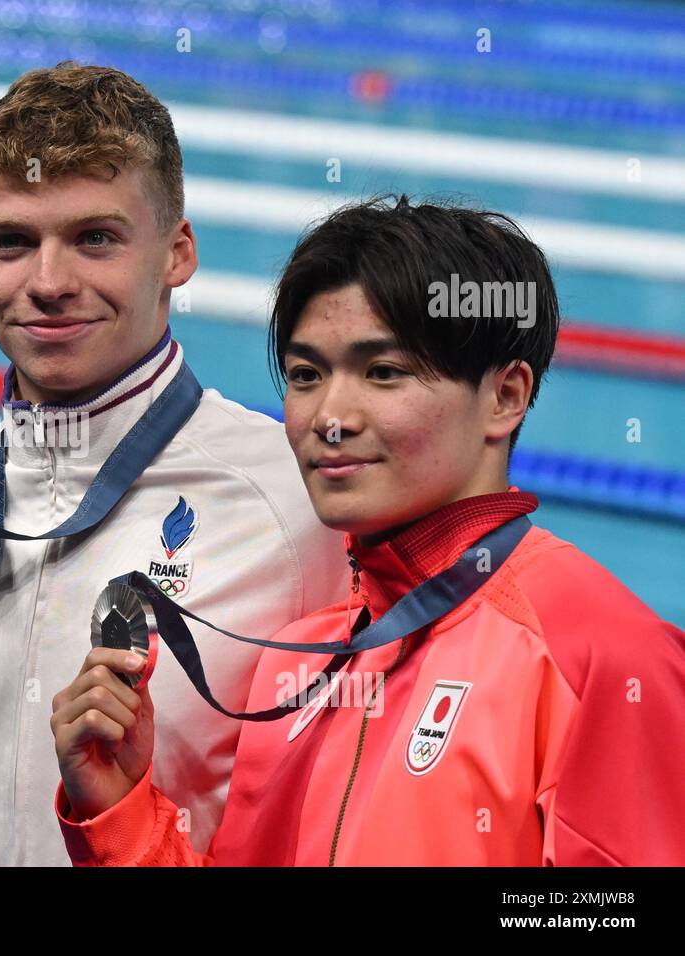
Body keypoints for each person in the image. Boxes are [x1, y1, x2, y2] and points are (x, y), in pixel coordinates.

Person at [0, 62, 349, 866]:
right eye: (12, 242)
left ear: (177, 253)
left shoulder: (300, 508)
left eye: (95, 239)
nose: (48, 283)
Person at [52, 196, 685, 866]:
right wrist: (118, 813)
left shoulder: (597, 655)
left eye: (383, 372)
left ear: (505, 397)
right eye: (306, 375)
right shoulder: (299, 663)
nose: (329, 417)